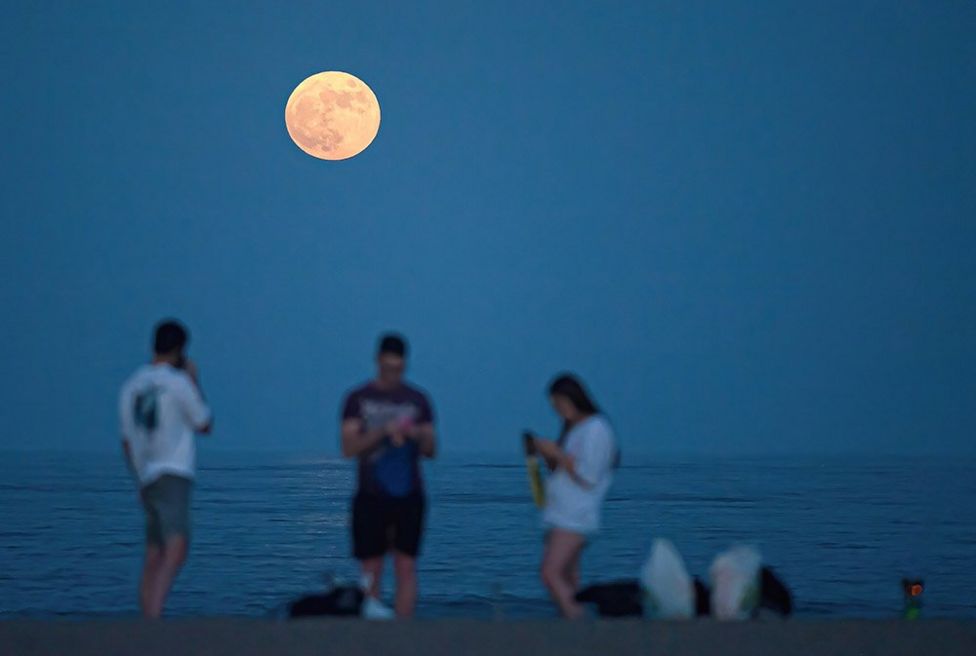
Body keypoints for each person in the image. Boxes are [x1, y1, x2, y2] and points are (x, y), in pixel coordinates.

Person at [118, 319, 212, 618]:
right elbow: (203, 422)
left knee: (154, 550)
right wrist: (194, 380)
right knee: (176, 546)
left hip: (145, 474)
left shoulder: (132, 385)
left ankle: (148, 612)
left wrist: (138, 475)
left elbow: (127, 441)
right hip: (173, 470)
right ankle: (154, 613)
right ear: (181, 350)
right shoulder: (178, 383)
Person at [339, 333, 437, 618]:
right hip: (371, 491)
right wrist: (382, 432)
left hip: (409, 491)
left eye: (399, 367)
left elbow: (432, 449)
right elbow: (349, 447)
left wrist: (415, 434)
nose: (394, 372)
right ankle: (373, 622)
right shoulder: (358, 399)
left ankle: (403, 628)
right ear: (378, 360)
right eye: (388, 367)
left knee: (406, 565)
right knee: (371, 564)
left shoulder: (418, 399)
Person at [526, 374, 617, 619]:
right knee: (568, 576)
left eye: (560, 403)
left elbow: (588, 475)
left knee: (550, 573)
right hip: (561, 513)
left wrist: (556, 452)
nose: (558, 410)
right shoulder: (575, 430)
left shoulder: (596, 428)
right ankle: (572, 625)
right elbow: (562, 471)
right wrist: (546, 454)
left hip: (576, 516)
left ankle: (579, 623)